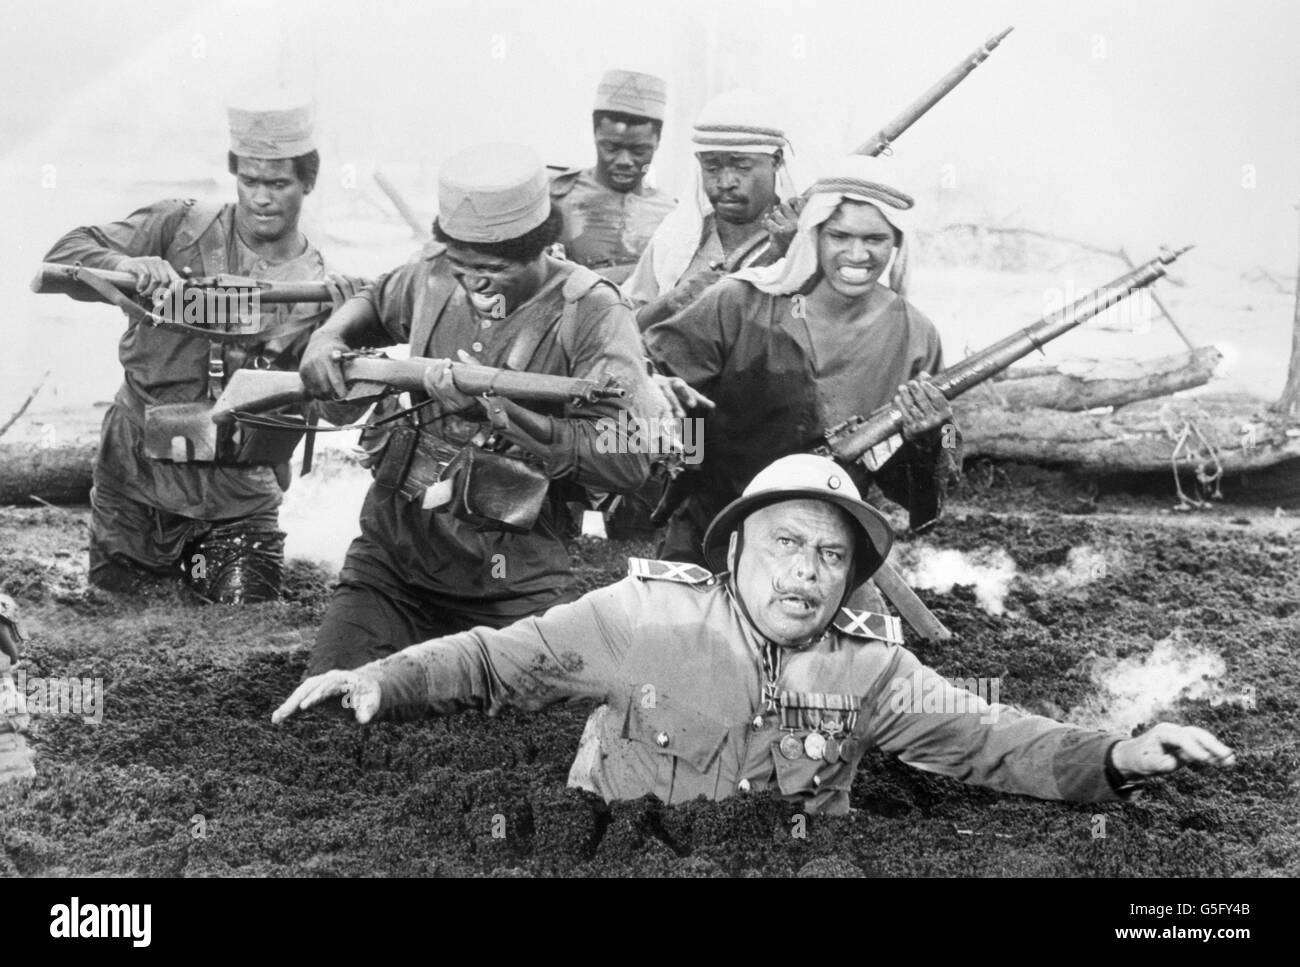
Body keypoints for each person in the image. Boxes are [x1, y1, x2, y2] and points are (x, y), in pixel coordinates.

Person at [274, 453, 1236, 816]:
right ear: (735, 549)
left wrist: (1116, 753)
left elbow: (995, 741)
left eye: (830, 554)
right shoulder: (638, 616)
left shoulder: (873, 669)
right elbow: (495, 660)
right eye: (785, 542)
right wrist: (384, 678)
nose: (807, 571)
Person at [298, 142, 655, 676]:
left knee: (523, 727)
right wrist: (327, 337)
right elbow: (375, 299)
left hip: (514, 582)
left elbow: (629, 458)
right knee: (332, 698)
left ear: (541, 250)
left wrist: (504, 414)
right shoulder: (434, 275)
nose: (474, 283)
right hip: (393, 567)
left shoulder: (593, 312)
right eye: (462, 266)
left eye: (491, 269)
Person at [42, 94, 361, 601]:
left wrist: (343, 336)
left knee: (242, 627)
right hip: (136, 475)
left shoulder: (321, 287)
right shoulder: (178, 225)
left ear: (307, 183)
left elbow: (336, 411)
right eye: (250, 181)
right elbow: (65, 256)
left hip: (240, 494)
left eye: (278, 183)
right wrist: (129, 267)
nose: (261, 198)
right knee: (112, 610)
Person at [643, 155, 961, 568]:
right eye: (839, 236)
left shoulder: (916, 337)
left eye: (875, 240)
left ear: (896, 242)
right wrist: (676, 442)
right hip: (711, 535)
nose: (857, 254)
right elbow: (647, 379)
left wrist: (931, 438)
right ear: (814, 234)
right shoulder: (740, 302)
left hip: (823, 550)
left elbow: (922, 478)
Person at [623, 89, 804, 331]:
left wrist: (792, 258)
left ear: (776, 160)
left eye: (741, 166)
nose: (725, 181)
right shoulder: (674, 239)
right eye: (712, 167)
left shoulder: (806, 239)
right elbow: (621, 326)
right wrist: (671, 301)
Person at [548, 69, 676, 285]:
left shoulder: (672, 216)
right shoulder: (556, 197)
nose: (624, 160)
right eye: (612, 147)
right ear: (595, 133)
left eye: (639, 150)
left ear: (658, 140)